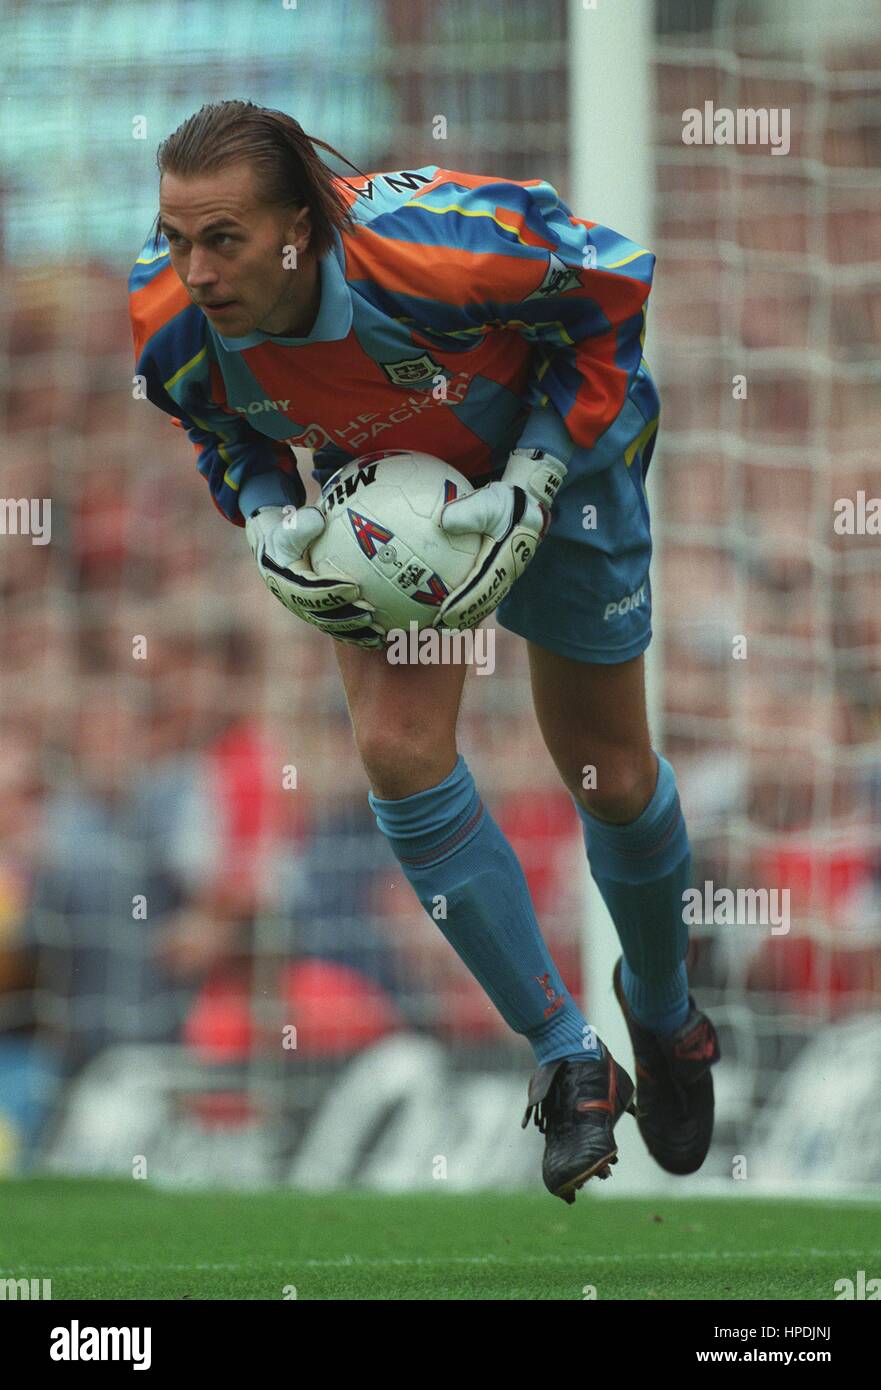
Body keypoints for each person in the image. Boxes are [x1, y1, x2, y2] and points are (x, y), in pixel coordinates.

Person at [129, 99, 719, 1203]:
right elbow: (225, 427)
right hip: (384, 495)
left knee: (610, 770)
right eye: (174, 237)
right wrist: (263, 515)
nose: (193, 269)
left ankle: (662, 1008)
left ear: (298, 231)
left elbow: (613, 290)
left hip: (561, 459)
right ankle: (566, 1056)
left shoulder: (438, 250)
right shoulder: (167, 319)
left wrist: (536, 476)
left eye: (223, 240)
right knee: (397, 751)